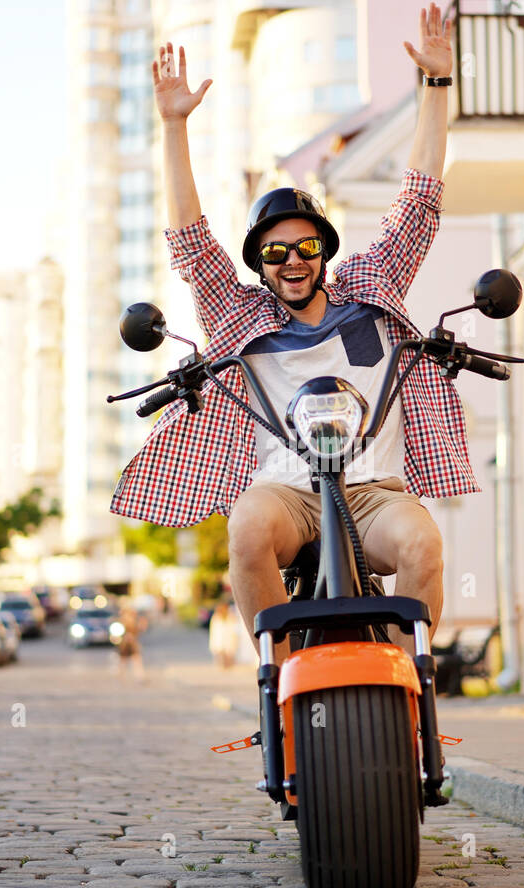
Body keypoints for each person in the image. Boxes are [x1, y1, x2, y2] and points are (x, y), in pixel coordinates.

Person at [111, 5, 470, 665]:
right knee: (245, 528)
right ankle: (277, 680)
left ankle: (402, 686)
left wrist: (436, 87)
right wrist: (173, 125)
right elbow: (191, 243)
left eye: (305, 246)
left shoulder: (372, 289)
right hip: (285, 492)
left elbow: (418, 202)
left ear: (324, 251)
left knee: (423, 544)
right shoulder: (240, 315)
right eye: (275, 254)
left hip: (371, 492)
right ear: (260, 267)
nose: (293, 261)